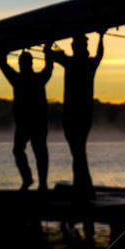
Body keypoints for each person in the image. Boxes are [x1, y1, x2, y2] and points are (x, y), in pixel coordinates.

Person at [47, 33, 104, 197]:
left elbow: (49, 54)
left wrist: (49, 44)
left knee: (77, 152)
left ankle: (83, 187)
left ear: (75, 47)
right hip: (83, 114)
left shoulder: (71, 62)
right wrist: (101, 37)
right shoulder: (87, 63)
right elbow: (99, 55)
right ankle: (83, 185)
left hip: (73, 114)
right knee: (78, 152)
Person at [0, 49, 54, 190]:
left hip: (29, 123)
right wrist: (47, 50)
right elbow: (49, 66)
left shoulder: (18, 79)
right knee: (36, 152)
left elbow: (2, 64)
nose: (21, 65)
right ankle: (36, 182)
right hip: (32, 123)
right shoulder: (37, 79)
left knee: (33, 152)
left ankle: (35, 181)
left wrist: (3, 50)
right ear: (31, 63)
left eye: (22, 63)